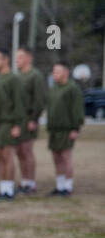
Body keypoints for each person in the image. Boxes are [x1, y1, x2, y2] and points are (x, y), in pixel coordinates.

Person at [0, 48, 26, 201]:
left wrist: (17, 124)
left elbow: (19, 103)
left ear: (6, 60)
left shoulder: (13, 79)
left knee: (7, 155)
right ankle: (3, 188)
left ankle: (9, 190)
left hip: (8, 122)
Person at [45, 61, 85, 196]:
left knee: (65, 157)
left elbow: (77, 110)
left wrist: (75, 128)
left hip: (66, 129)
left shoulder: (72, 88)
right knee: (56, 158)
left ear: (66, 72)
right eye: (53, 71)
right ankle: (60, 186)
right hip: (54, 129)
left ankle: (68, 187)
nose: (54, 74)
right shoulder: (53, 88)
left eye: (57, 71)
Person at [14, 47, 45, 193]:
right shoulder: (18, 76)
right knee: (19, 151)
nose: (17, 60)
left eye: (20, 57)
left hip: (28, 119)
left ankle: (31, 183)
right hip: (18, 120)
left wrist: (34, 118)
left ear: (28, 58)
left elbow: (39, 100)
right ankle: (24, 181)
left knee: (27, 151)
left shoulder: (35, 76)